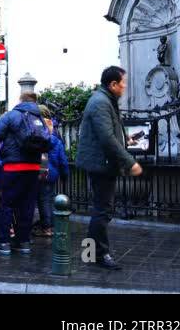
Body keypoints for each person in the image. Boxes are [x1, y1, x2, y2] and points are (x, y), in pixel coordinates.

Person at [76, 66, 144, 270]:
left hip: (101, 163)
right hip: (101, 164)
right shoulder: (100, 102)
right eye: (123, 83)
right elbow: (106, 138)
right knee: (102, 211)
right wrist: (130, 162)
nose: (125, 87)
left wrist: (125, 139)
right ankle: (100, 254)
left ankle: (90, 254)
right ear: (113, 84)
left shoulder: (104, 100)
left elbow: (109, 134)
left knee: (100, 210)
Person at [0, 92, 50, 256]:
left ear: (21, 100)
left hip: (12, 167)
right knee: (28, 204)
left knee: (7, 204)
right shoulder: (40, 119)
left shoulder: (11, 116)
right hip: (33, 167)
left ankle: (4, 243)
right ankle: (23, 242)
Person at [35, 105, 69, 237]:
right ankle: (49, 224)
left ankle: (47, 227)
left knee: (42, 199)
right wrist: (65, 173)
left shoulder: (38, 128)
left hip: (42, 168)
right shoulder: (55, 131)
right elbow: (62, 158)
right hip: (53, 170)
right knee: (48, 198)